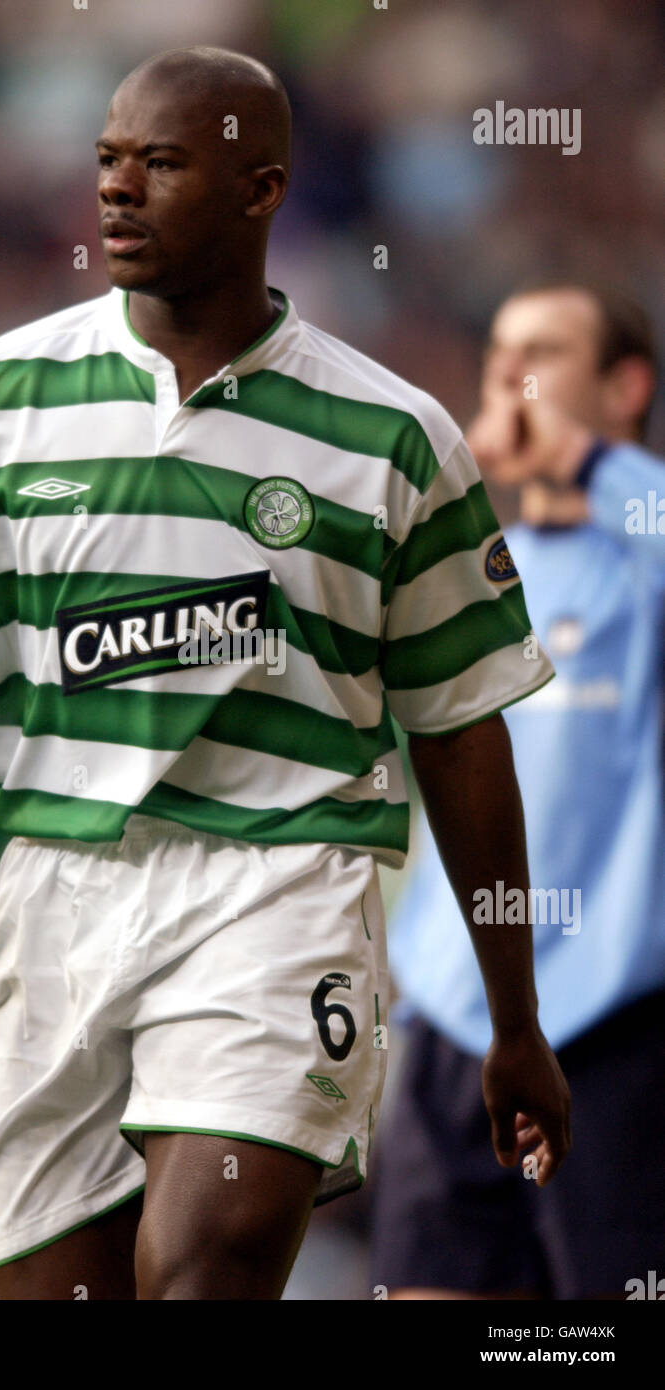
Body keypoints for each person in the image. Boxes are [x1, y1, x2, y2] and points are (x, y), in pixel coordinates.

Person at [0, 47, 569, 1301]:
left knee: (206, 1262)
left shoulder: (391, 435)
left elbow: (460, 734)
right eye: (107, 159)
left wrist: (513, 1016)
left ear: (261, 189)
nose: (115, 189)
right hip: (53, 896)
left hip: (278, 885)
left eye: (158, 163)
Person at [372, 281, 665, 1301]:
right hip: (454, 1026)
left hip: (610, 1032)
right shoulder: (472, 573)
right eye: (499, 348)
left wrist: (584, 462)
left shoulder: (642, 553)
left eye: (542, 348)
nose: (509, 369)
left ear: (625, 386)